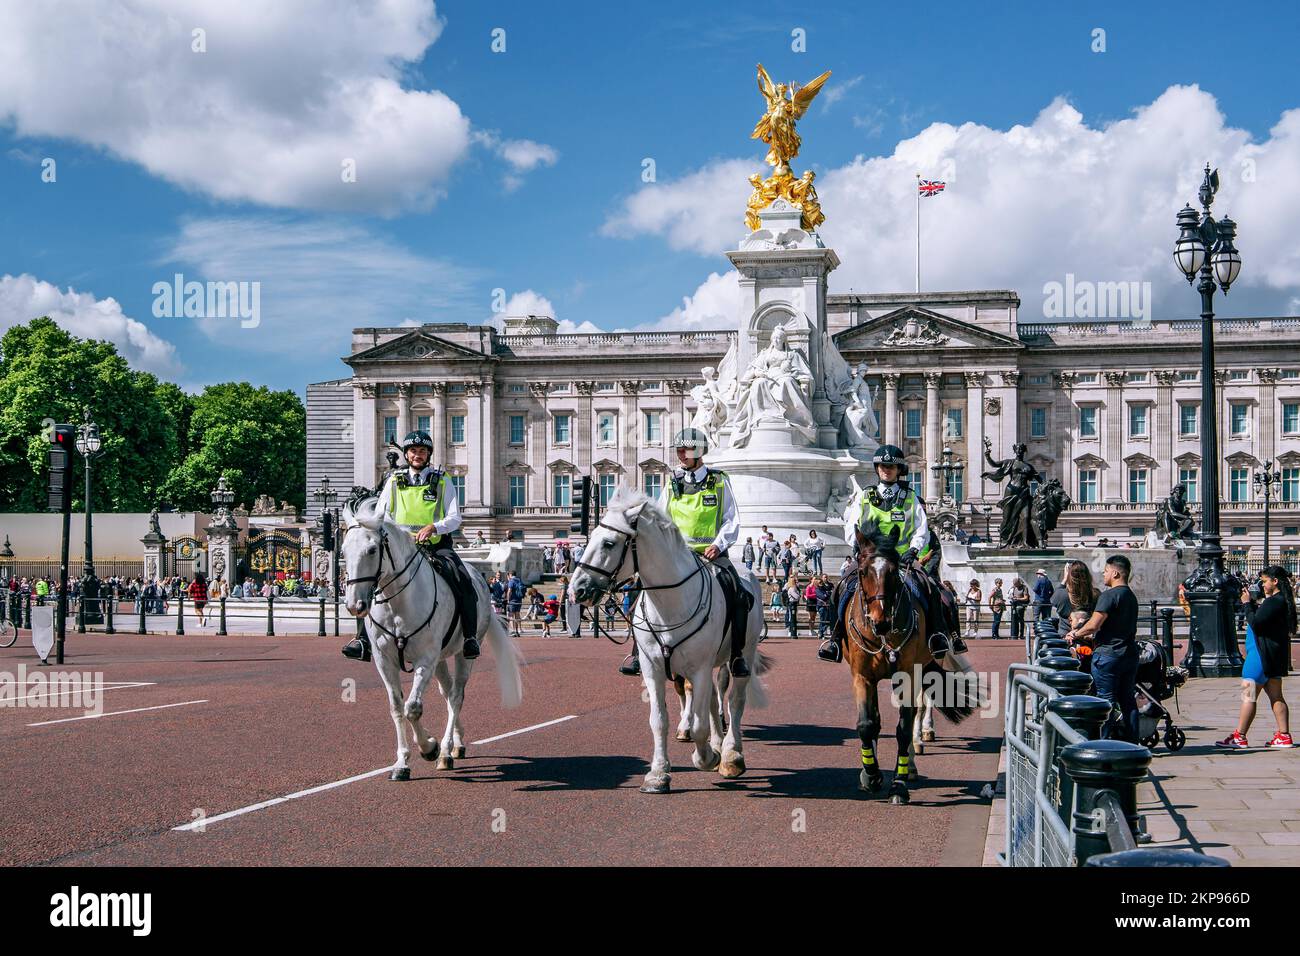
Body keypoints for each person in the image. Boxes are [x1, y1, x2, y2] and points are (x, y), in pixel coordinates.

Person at [620, 428, 750, 678]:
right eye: (678, 450)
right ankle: (638, 653)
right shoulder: (673, 483)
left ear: (698, 451)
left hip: (711, 554)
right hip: (677, 557)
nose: (680, 454)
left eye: (685, 450)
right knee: (640, 592)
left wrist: (718, 545)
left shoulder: (719, 480)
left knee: (740, 594)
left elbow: (731, 519)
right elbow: (660, 519)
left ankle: (736, 655)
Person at [342, 429, 481, 663]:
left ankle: (469, 637)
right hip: (402, 549)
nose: (418, 455)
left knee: (463, 579)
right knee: (371, 579)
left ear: (428, 455)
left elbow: (455, 517)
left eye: (422, 451)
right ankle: (362, 639)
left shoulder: (442, 480)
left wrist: (434, 527)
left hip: (435, 545)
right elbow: (381, 513)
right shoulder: (395, 480)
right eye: (413, 451)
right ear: (407, 455)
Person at [820, 444, 963, 663]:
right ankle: (835, 639)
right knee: (842, 587)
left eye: (892, 466)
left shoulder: (909, 497)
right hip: (870, 557)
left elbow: (920, 528)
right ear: (877, 469)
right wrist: (858, 546)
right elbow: (851, 525)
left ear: (899, 470)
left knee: (931, 587)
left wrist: (914, 550)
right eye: (883, 466)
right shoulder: (865, 496)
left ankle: (938, 636)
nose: (887, 470)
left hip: (901, 559)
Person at [1065, 555, 1140, 742]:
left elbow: (1094, 625)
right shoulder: (1131, 596)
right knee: (1128, 702)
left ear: (1115, 573)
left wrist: (1074, 634)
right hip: (1129, 654)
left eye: (1106, 571)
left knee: (1104, 701)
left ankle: (1103, 743)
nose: (1103, 574)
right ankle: (1133, 743)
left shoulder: (1109, 595)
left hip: (1108, 655)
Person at [1218, 566, 1293, 749]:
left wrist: (1245, 604)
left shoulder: (1274, 601)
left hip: (1258, 657)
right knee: (1276, 696)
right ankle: (1284, 735)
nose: (1262, 584)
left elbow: (1256, 623)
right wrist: (1252, 604)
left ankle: (1240, 736)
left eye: (1265, 580)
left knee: (1248, 696)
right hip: (1271, 656)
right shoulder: (1281, 602)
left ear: (1275, 581)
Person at [1009, 577, 1030, 641]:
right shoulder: (1013, 587)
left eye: (1016, 584)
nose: (1015, 585)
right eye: (1014, 584)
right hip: (1014, 606)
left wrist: (1018, 599)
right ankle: (1015, 634)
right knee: (1015, 621)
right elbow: (1009, 594)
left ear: (1019, 583)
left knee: (1021, 620)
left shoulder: (1024, 588)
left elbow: (1026, 598)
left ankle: (1021, 634)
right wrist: (1011, 597)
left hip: (1020, 606)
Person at [505, 571, 524, 638]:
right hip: (519, 600)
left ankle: (513, 631)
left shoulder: (511, 581)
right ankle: (517, 631)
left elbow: (509, 591)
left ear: (510, 574)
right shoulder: (519, 580)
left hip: (512, 601)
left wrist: (508, 599)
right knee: (517, 615)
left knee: (511, 616)